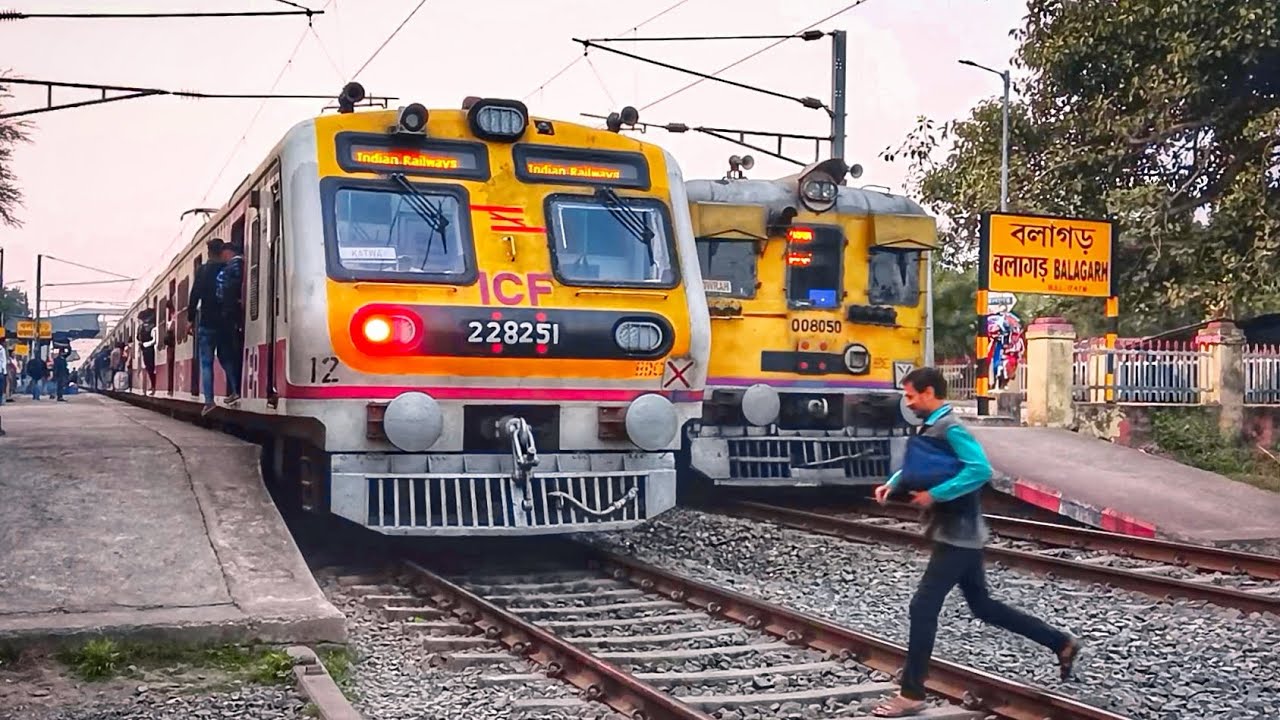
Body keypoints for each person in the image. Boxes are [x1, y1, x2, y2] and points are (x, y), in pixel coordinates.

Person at [870, 366, 1081, 718]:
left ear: (927, 393)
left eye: (910, 396)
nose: (907, 403)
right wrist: (894, 482)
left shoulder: (951, 426)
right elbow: (926, 464)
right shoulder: (932, 425)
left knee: (922, 607)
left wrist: (936, 494)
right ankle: (1061, 643)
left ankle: (911, 693)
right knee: (983, 607)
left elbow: (979, 469)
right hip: (956, 533)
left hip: (959, 534)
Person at [187, 238, 226, 415]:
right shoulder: (227, 268)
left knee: (206, 363)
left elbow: (194, 295)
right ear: (222, 251)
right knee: (228, 358)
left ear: (208, 252)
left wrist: (190, 319)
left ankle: (209, 401)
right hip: (225, 320)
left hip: (206, 322)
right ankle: (234, 391)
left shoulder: (202, 271)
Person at [214, 241, 244, 407]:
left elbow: (234, 285)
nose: (222, 256)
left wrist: (229, 302)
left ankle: (236, 390)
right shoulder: (233, 265)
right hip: (228, 313)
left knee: (227, 353)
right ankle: (235, 389)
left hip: (229, 314)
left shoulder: (236, 264)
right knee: (226, 353)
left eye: (223, 253)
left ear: (229, 251)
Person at [138, 308, 158, 396]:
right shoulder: (147, 326)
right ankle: (153, 385)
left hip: (149, 349)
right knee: (150, 368)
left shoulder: (150, 327)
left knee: (150, 368)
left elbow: (154, 340)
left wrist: (144, 344)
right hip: (147, 349)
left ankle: (153, 385)